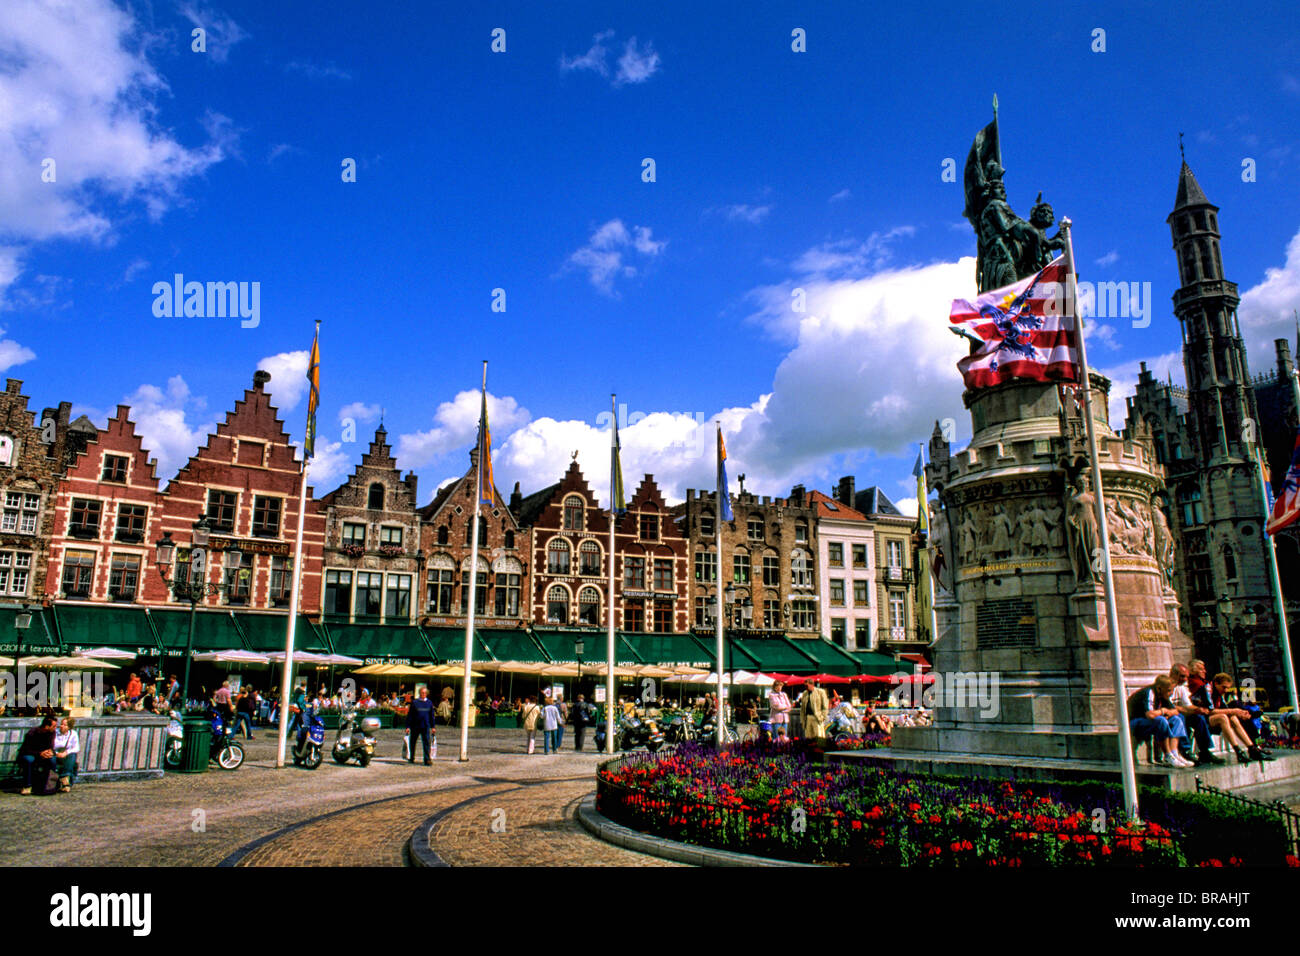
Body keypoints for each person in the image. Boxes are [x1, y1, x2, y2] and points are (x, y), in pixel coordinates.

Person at [1193, 672, 1273, 764]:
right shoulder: (1207, 689)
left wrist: (1240, 713)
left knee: (1233, 717)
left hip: (1208, 717)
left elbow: (1225, 709)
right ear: (1216, 683)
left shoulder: (1218, 692)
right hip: (1199, 718)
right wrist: (1234, 710)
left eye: (1228, 688)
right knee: (1223, 717)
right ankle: (1237, 750)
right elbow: (1210, 711)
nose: (1226, 690)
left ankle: (1252, 749)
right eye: (1224, 687)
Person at [1127, 675, 1193, 767]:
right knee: (1161, 720)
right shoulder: (1149, 692)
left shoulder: (1163, 695)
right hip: (1133, 723)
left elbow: (1175, 711)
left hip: (1148, 722)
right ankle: (1167, 755)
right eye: (1169, 690)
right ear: (1159, 688)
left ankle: (1174, 753)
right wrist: (1163, 711)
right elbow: (1150, 714)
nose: (1171, 693)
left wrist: (1166, 713)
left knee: (1177, 720)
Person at [1168, 664, 1221, 765]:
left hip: (1180, 713)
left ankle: (1205, 750)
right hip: (1169, 715)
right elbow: (1169, 706)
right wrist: (1185, 709)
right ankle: (1185, 750)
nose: (1185, 679)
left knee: (1198, 717)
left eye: (1186, 676)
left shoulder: (1181, 688)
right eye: (1182, 676)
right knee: (1180, 716)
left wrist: (1198, 709)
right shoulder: (1167, 685)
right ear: (1173, 674)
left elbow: (1187, 705)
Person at [16, 716, 57, 795]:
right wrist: (39, 753)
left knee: (52, 759)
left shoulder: (52, 733)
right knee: (29, 760)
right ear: (47, 726)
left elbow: (51, 746)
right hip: (30, 753)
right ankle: (27, 786)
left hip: (43, 754)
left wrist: (50, 752)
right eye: (54, 726)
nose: (55, 728)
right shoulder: (32, 733)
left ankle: (50, 785)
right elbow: (26, 749)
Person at [406, 686, 436, 765]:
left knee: (426, 743)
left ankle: (427, 759)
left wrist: (433, 726)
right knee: (412, 742)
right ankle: (411, 758)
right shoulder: (415, 702)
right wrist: (408, 726)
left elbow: (432, 715)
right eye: (422, 693)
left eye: (425, 693)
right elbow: (410, 715)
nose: (423, 694)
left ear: (427, 694)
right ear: (419, 693)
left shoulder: (429, 703)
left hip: (425, 726)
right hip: (415, 726)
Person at [54, 717, 79, 793]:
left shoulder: (73, 734)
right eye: (61, 724)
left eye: (65, 725)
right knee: (71, 762)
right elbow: (50, 745)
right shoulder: (55, 733)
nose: (62, 726)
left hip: (65, 755)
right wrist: (57, 753)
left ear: (69, 727)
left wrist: (66, 753)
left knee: (72, 755)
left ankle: (65, 777)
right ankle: (66, 782)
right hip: (55, 754)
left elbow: (76, 747)